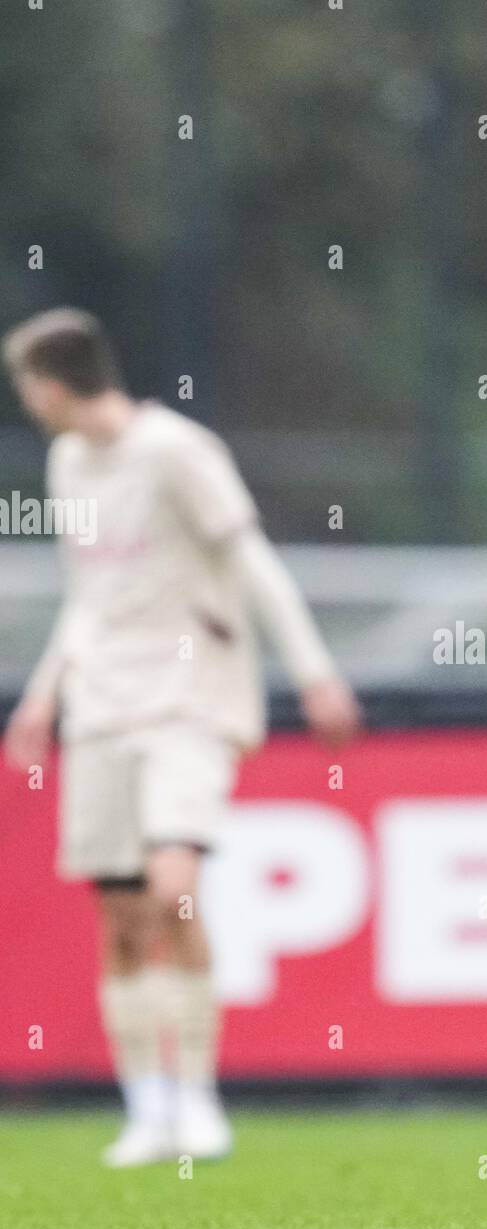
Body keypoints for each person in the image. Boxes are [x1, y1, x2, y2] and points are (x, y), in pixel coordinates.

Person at [3, 307, 363, 1167]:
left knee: (173, 889)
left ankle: (199, 1098)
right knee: (121, 911)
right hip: (101, 706)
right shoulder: (66, 462)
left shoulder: (176, 450)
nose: (27, 402)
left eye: (26, 386)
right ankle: (148, 1109)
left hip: (189, 700)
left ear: (52, 384)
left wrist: (313, 669)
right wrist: (43, 696)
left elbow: (252, 563)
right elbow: (89, 595)